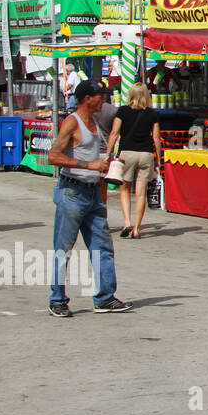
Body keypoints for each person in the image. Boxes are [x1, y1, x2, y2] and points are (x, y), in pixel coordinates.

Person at [45, 80, 133, 316]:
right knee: (63, 248)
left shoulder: (94, 121)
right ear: (87, 98)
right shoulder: (72, 122)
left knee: (103, 246)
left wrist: (104, 169)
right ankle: (57, 299)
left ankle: (105, 297)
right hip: (72, 192)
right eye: (100, 96)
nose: (104, 99)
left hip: (93, 192)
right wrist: (89, 165)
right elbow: (53, 156)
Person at [106, 83, 162, 240]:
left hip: (127, 153)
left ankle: (126, 222)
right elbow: (156, 137)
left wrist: (108, 153)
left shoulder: (122, 111)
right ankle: (137, 228)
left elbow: (114, 133)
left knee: (124, 189)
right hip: (146, 153)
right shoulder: (152, 114)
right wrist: (158, 157)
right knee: (141, 193)